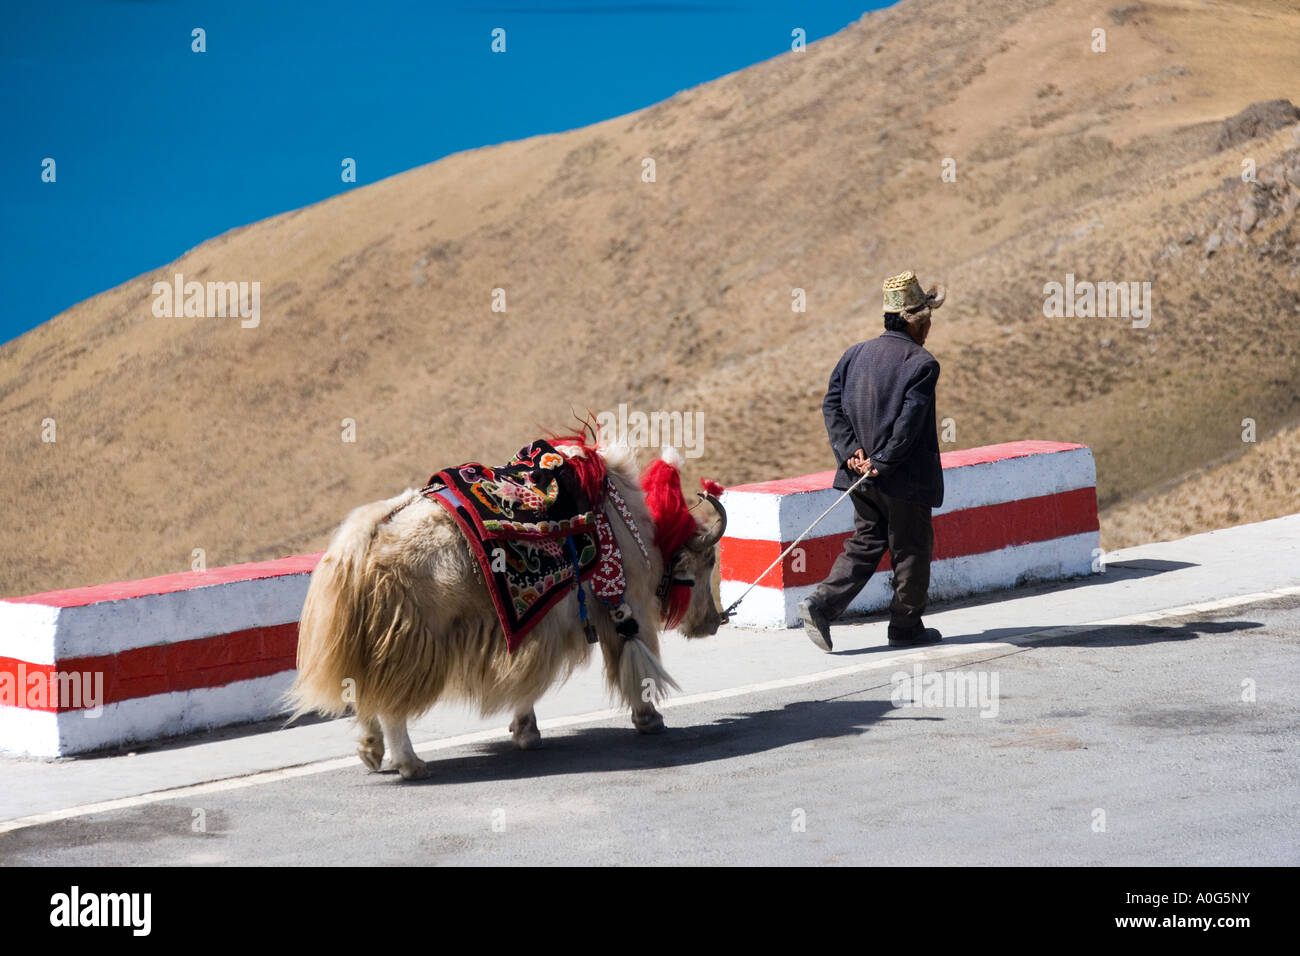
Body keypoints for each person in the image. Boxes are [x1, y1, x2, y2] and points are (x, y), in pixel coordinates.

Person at [799, 271, 946, 653]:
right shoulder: (922, 363)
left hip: (860, 478)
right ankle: (905, 625)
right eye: (927, 318)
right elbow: (909, 423)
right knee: (911, 547)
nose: (930, 325)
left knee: (867, 541)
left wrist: (852, 452)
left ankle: (820, 605)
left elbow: (831, 406)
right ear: (915, 321)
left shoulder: (854, 355)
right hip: (901, 479)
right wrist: (883, 460)